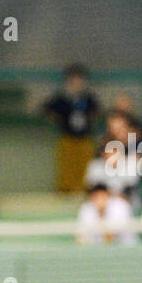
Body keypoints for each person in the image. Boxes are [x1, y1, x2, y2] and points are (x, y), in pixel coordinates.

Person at [43, 65, 101, 193]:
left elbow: (97, 111)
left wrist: (90, 120)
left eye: (79, 79)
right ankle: (66, 190)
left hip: (85, 137)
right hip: (68, 137)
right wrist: (58, 120)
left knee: (85, 165)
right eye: (73, 79)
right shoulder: (62, 98)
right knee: (67, 165)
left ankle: (84, 190)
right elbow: (47, 109)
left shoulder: (88, 98)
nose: (77, 83)